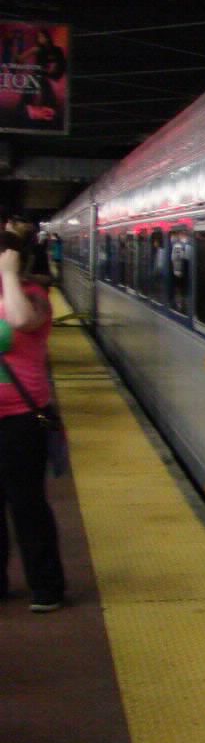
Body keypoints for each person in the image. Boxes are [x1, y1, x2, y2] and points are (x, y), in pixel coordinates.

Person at [0, 232, 66, 611]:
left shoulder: (35, 298)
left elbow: (21, 320)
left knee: (27, 506)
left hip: (22, 420)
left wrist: (9, 277)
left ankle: (46, 586)